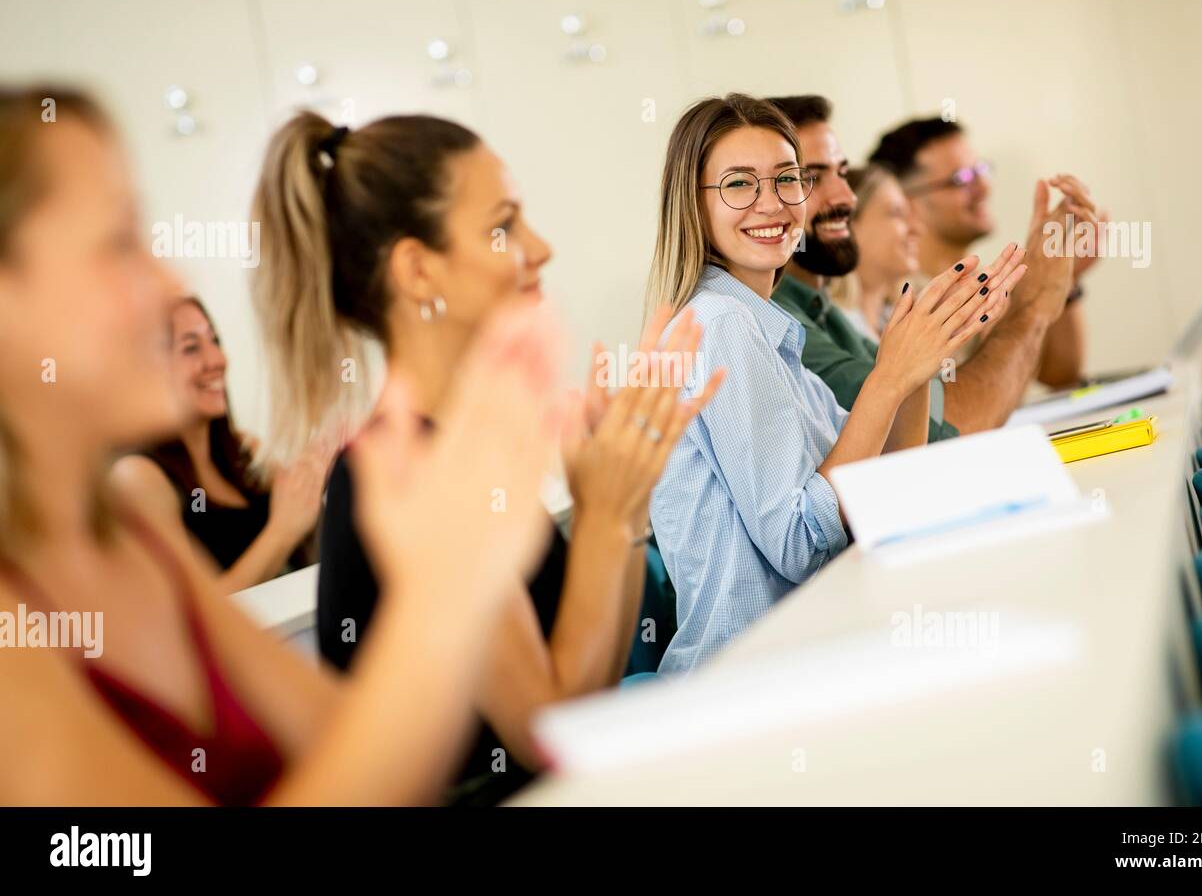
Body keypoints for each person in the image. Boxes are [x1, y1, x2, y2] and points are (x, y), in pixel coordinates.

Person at [0, 84, 573, 805]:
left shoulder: (139, 536)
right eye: (118, 244)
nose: (171, 280)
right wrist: (443, 596)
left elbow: (363, 755)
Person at [249, 110, 720, 804]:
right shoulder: (406, 466)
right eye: (503, 227)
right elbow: (549, 728)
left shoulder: (462, 443)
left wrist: (623, 504)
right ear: (418, 269)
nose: (541, 248)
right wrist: (601, 518)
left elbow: (593, 678)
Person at [644, 94, 1025, 674]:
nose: (771, 204)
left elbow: (885, 483)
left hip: (819, 646)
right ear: (694, 208)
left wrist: (917, 367)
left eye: (787, 180)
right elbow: (799, 543)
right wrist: (888, 377)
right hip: (753, 677)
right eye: (740, 185)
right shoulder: (721, 324)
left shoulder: (766, 327)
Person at [769, 96, 1092, 434]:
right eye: (808, 178)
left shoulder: (825, 313)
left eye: (843, 174)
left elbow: (1035, 381)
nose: (846, 197)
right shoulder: (782, 318)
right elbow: (954, 424)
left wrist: (1056, 284)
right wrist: (1032, 303)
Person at [111, 296, 328, 593]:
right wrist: (282, 531)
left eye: (214, 341)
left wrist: (314, 481)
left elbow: (308, 528)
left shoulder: (243, 448)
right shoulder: (137, 477)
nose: (216, 360)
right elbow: (191, 612)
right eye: (191, 348)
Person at [869, 116, 1101, 389]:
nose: (983, 188)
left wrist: (1064, 279)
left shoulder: (982, 282)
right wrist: (1032, 294)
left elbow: (1059, 374)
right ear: (906, 201)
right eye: (962, 179)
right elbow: (960, 416)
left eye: (980, 171)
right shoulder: (899, 303)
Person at [832, 165, 918, 344]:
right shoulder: (829, 328)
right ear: (848, 226)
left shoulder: (907, 321)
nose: (916, 229)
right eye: (897, 213)